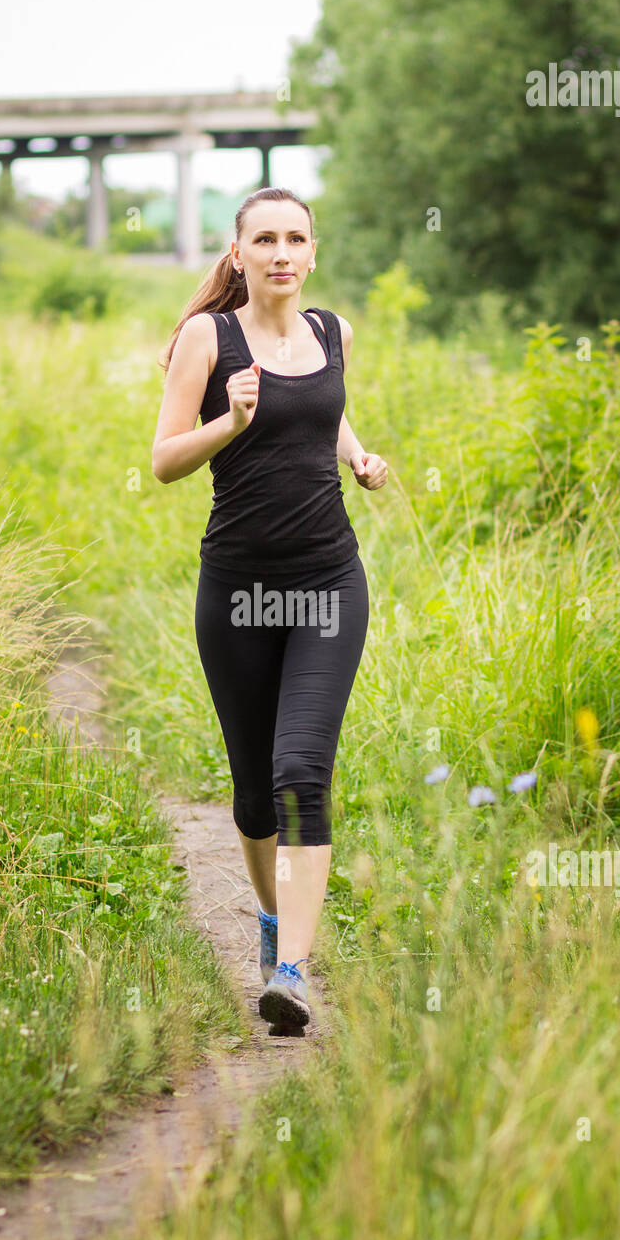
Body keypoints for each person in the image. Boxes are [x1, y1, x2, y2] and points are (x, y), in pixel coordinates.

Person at [152, 187, 388, 1030]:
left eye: (296, 238)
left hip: (328, 581)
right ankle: (266, 918)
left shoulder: (331, 333)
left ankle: (291, 968)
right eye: (265, 240)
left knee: (300, 775)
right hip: (240, 591)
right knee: (254, 791)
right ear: (239, 254)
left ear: (313, 253)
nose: (282, 252)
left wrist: (358, 456)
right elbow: (164, 459)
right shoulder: (206, 340)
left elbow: (322, 411)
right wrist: (230, 420)